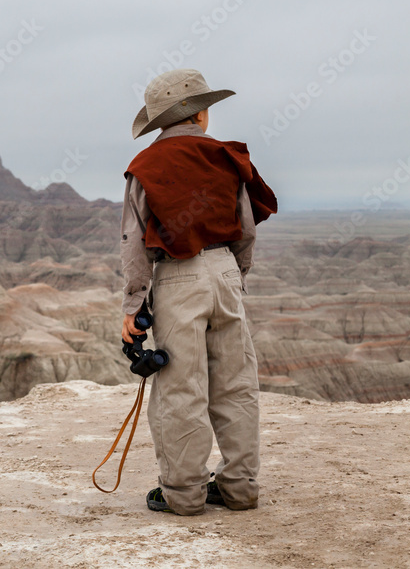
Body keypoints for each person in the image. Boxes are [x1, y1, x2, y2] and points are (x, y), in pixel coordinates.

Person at [120, 68, 278, 516]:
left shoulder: (145, 167)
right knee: (236, 384)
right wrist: (234, 274)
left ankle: (184, 495)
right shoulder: (227, 156)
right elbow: (245, 228)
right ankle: (240, 489)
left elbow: (134, 244)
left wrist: (134, 303)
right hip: (224, 270)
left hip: (177, 278)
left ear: (160, 122)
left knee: (181, 388)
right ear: (202, 114)